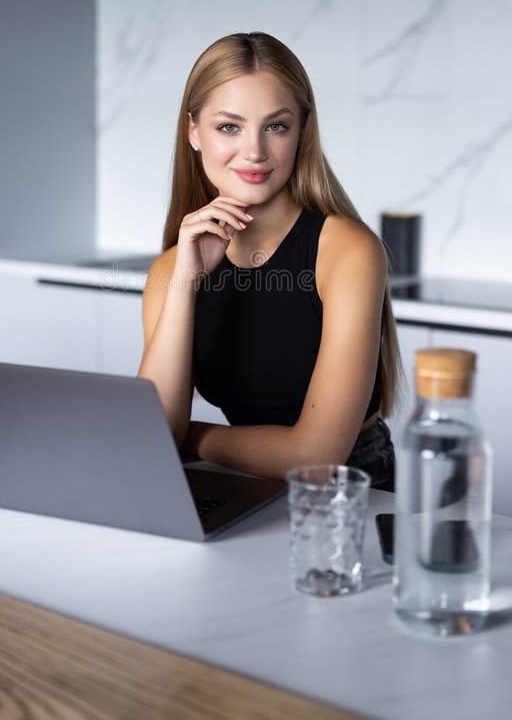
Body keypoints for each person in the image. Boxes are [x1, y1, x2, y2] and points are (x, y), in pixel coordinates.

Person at [138, 32, 400, 490]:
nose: (255, 151)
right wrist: (186, 281)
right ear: (193, 131)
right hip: (239, 481)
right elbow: (153, 433)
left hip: (348, 489)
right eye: (229, 127)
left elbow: (317, 457)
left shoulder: (348, 252)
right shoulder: (170, 269)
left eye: (276, 126)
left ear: (302, 131)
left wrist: (193, 439)